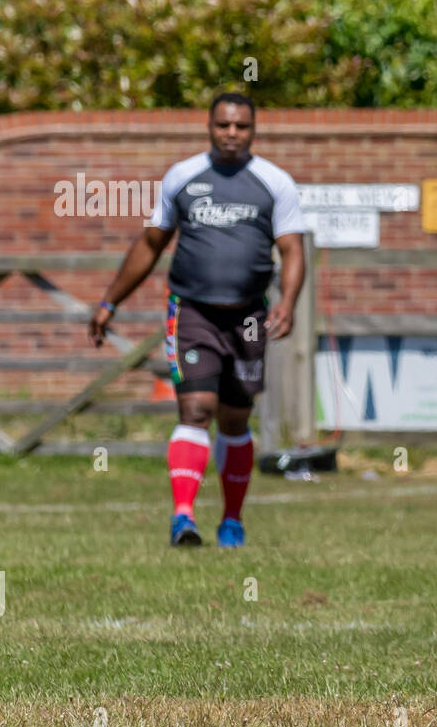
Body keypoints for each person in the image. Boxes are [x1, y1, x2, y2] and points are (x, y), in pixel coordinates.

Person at [88, 92, 306, 548]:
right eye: (223, 125)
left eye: (241, 126)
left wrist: (287, 301)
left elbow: (291, 250)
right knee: (196, 408)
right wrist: (110, 301)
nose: (232, 134)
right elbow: (150, 244)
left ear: (253, 130)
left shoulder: (275, 183)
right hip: (191, 311)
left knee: (234, 418)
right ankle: (183, 517)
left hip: (248, 317)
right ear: (209, 126)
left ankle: (232, 520)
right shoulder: (182, 177)